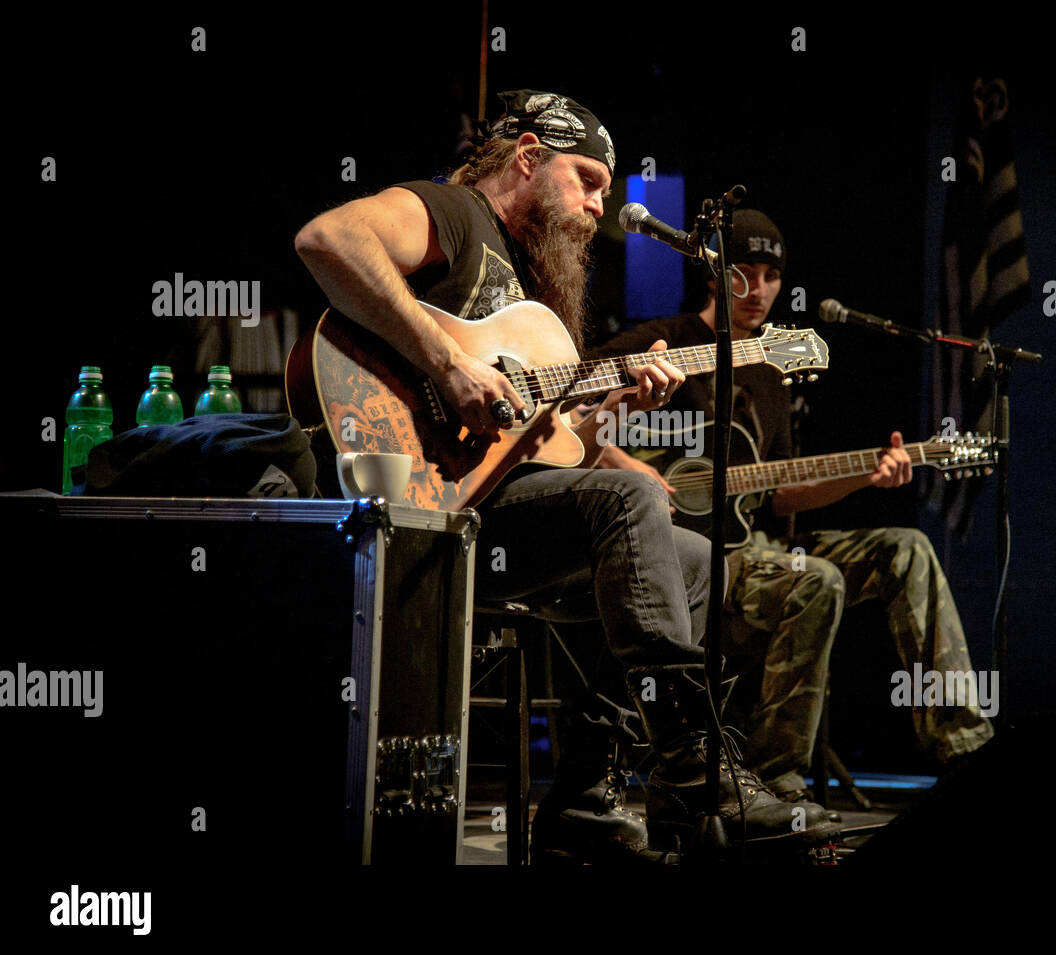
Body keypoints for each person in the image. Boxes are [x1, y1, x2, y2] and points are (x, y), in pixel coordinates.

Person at [293, 92, 837, 862]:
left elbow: (553, 447)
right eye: (585, 179)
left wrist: (612, 406)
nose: (598, 203)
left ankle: (584, 792)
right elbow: (327, 239)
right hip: (413, 502)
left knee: (691, 558)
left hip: (491, 505)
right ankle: (694, 765)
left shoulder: (539, 290)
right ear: (526, 157)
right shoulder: (453, 214)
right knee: (633, 495)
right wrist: (449, 364)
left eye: (606, 191)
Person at [591, 209, 994, 807]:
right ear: (714, 274)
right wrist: (634, 470)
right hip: (693, 560)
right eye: (743, 272)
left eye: (771, 275)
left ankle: (964, 753)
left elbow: (778, 489)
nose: (757, 290)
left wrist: (865, 475)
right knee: (816, 581)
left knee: (907, 549)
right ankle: (775, 777)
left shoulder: (774, 366)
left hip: (755, 545)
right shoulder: (663, 341)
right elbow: (568, 414)